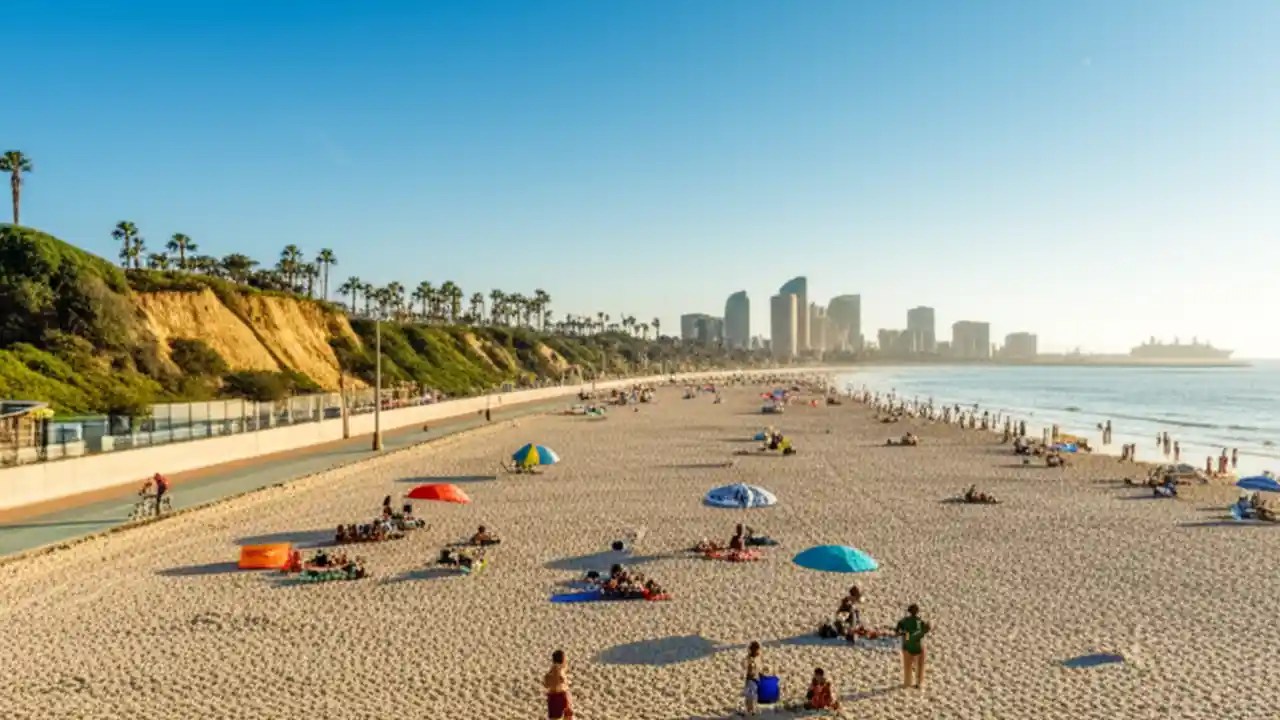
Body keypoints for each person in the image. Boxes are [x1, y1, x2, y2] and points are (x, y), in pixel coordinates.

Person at [896, 604, 930, 689]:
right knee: (920, 664)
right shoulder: (919, 621)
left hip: (907, 644)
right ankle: (919, 682)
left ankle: (907, 682)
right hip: (917, 644)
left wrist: (903, 633)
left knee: (907, 665)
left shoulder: (904, 621)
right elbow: (925, 630)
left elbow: (897, 630)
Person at [544, 649, 572, 719]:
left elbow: (546, 684)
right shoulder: (559, 668)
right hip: (560, 696)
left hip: (553, 697)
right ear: (563, 659)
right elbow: (559, 681)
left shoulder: (551, 671)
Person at [743, 641, 763, 716]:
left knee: (753, 695)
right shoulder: (749, 658)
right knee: (750, 695)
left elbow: (759, 668)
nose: (757, 651)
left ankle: (752, 710)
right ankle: (750, 710)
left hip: (755, 679)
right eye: (755, 649)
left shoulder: (758, 657)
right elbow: (749, 670)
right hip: (751, 679)